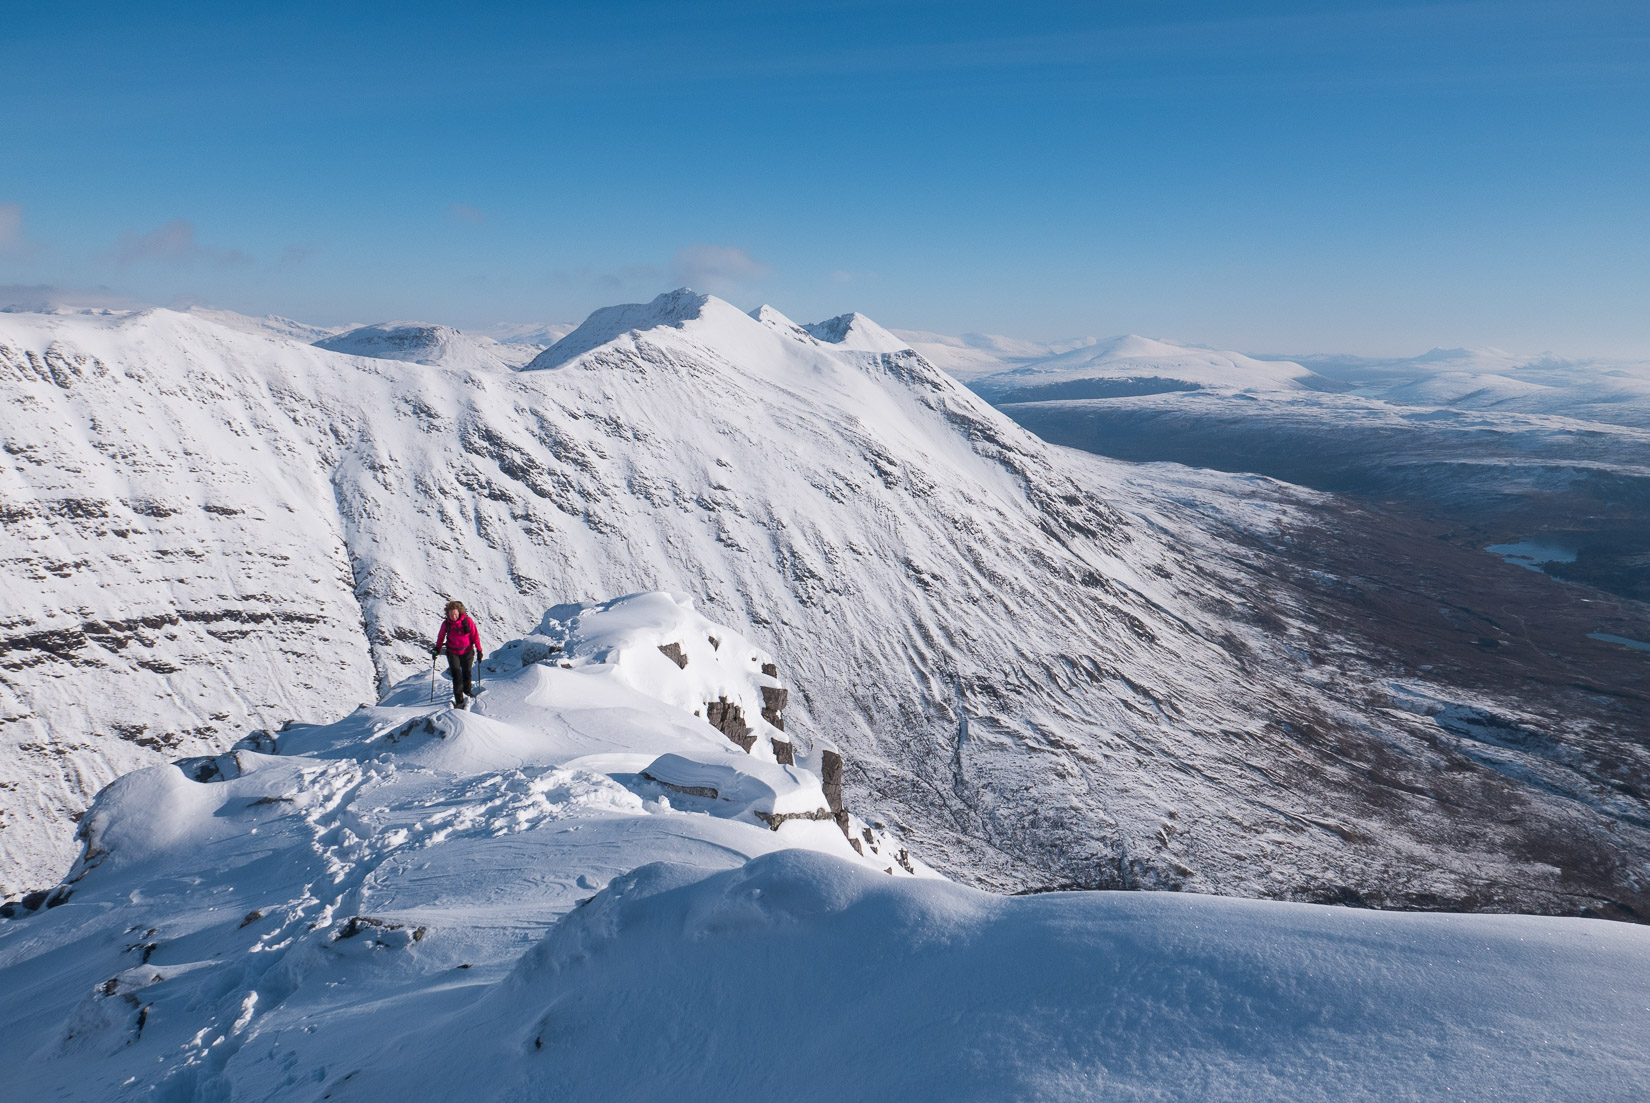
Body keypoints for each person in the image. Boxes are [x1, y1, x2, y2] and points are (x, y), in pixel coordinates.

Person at [432, 600, 484, 708]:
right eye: (451, 615)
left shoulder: (467, 621)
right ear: (448, 614)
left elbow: (475, 636)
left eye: (455, 614)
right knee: (457, 676)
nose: (453, 617)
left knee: (467, 673)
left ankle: (467, 692)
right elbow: (441, 637)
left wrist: (479, 650)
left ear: (459, 612)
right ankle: (459, 700)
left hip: (467, 651)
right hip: (452, 652)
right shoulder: (446, 624)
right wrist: (437, 649)